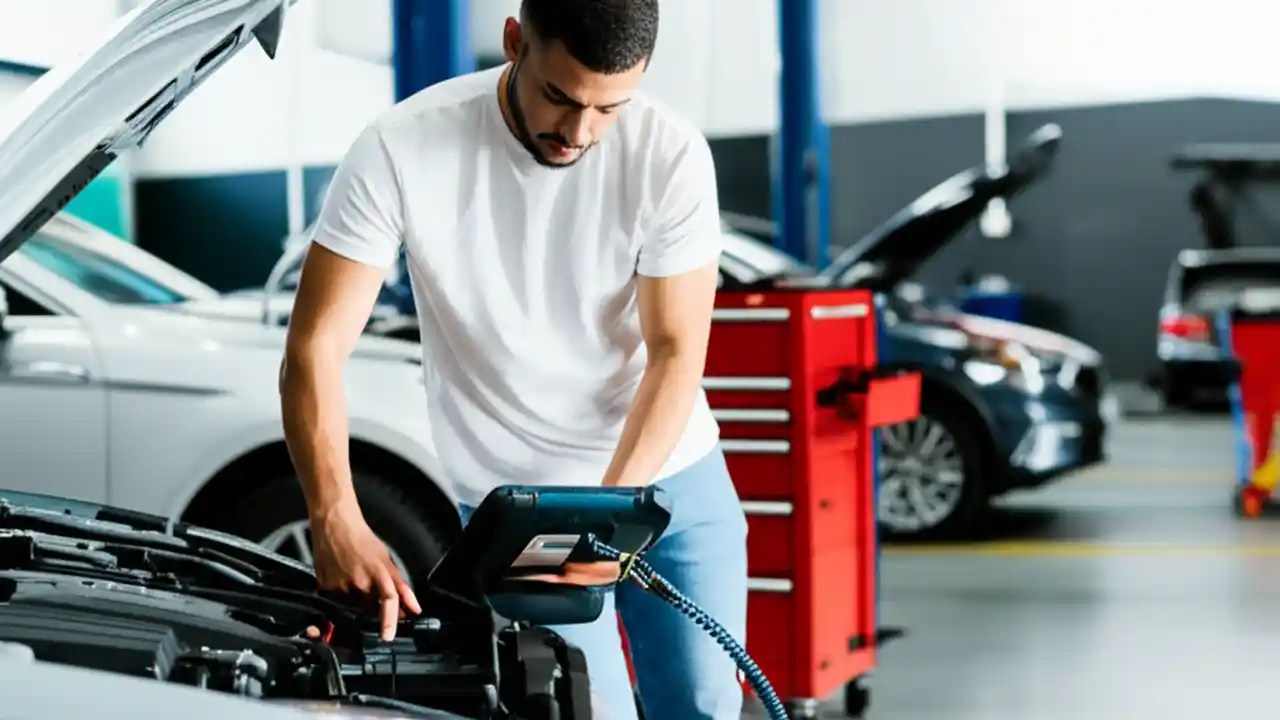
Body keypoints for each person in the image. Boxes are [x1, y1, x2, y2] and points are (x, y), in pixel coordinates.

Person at [278, 1, 747, 718]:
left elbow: (676, 352)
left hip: (667, 479)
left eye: (609, 108)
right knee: (581, 711)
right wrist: (334, 513)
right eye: (559, 96)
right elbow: (315, 347)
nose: (580, 132)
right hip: (521, 506)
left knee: (703, 705)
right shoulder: (400, 148)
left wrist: (610, 516)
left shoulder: (671, 153)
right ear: (512, 42)